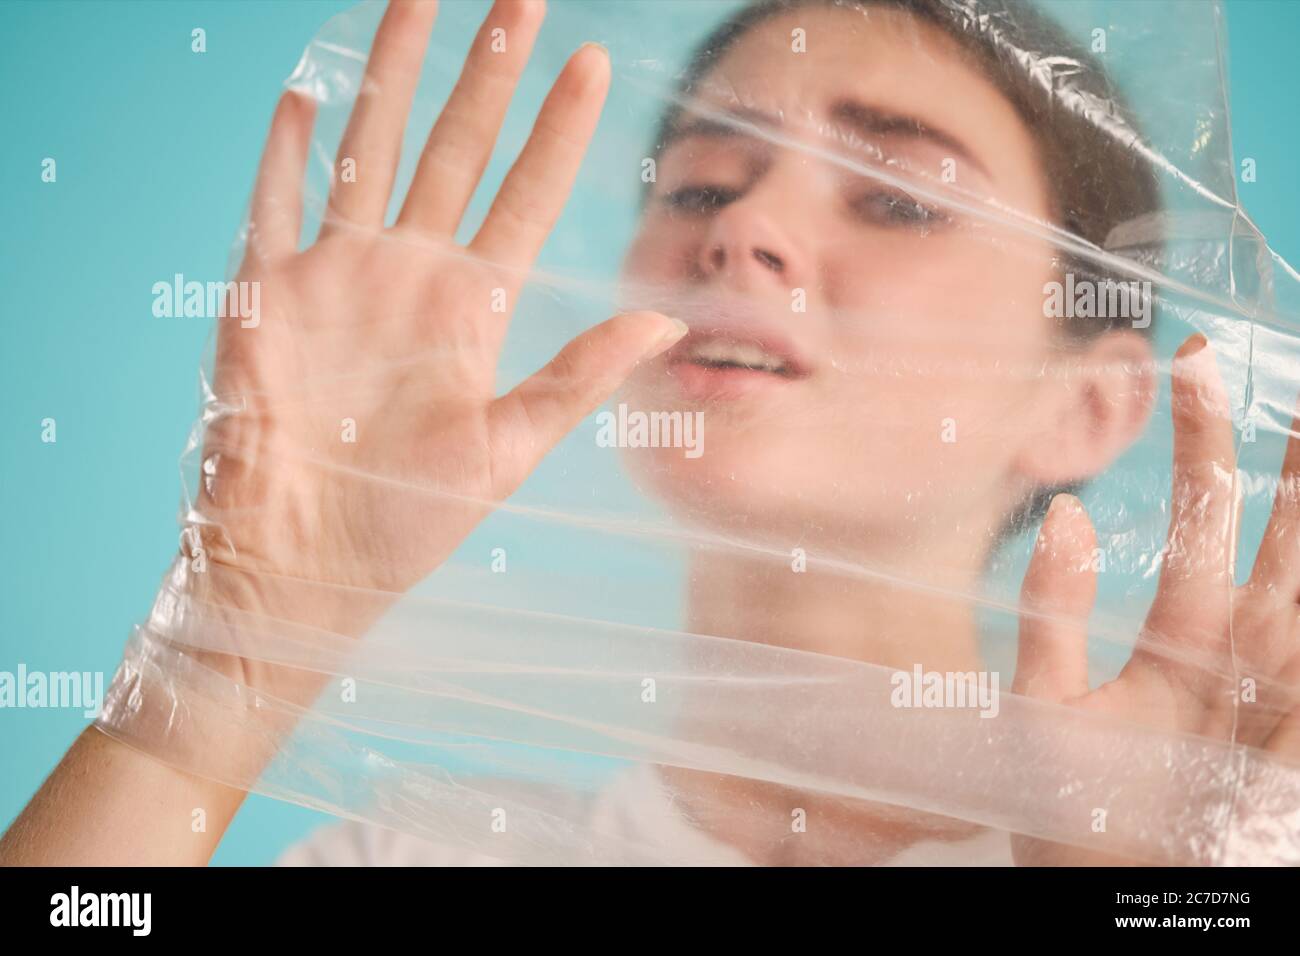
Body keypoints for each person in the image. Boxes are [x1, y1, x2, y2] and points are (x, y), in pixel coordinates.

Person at [2, 0, 1297, 867]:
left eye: (898, 199)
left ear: (1090, 402)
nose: (740, 231)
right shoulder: (422, 857)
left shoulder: (1187, 853)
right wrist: (222, 667)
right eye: (697, 185)